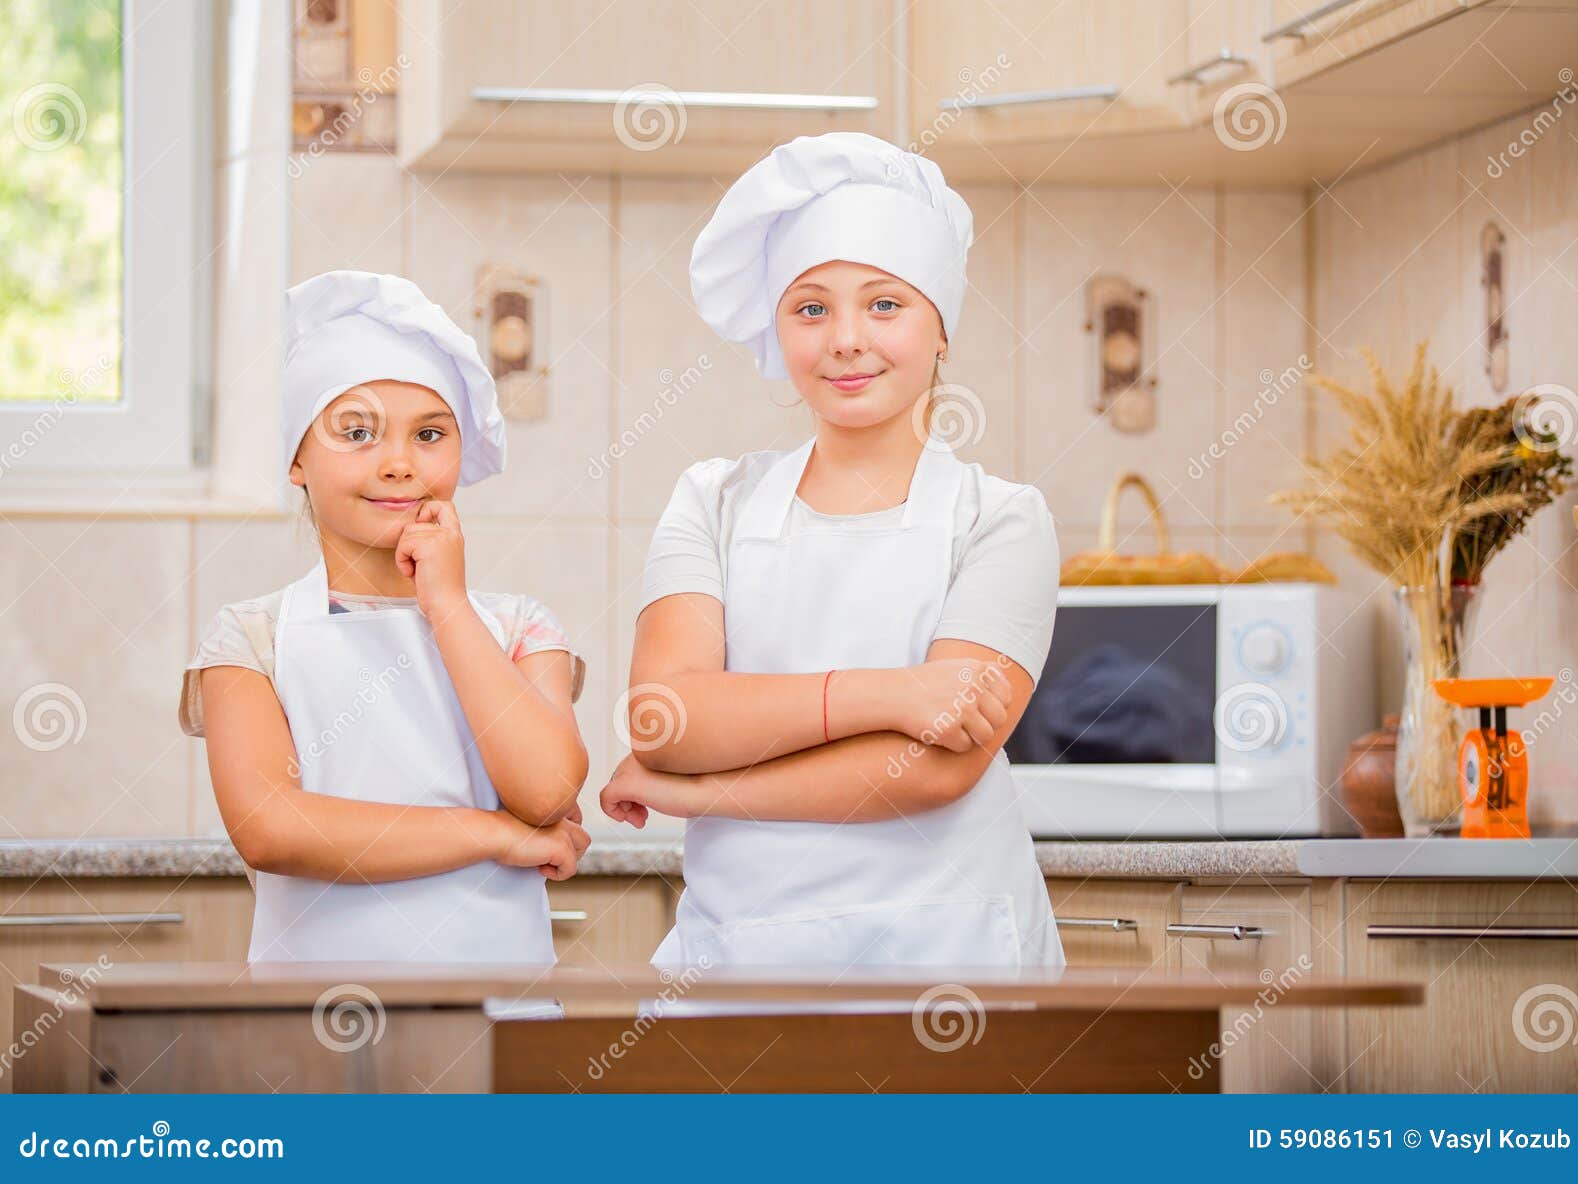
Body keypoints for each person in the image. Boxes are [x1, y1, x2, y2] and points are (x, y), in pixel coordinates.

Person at [600, 133, 1065, 979]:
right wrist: (898, 691)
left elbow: (931, 772)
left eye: (885, 304)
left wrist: (706, 792)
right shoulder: (713, 501)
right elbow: (664, 719)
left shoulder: (1001, 521)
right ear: (779, 333)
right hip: (742, 958)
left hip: (952, 961)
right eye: (811, 308)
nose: (846, 338)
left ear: (942, 326)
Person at [182, 270, 590, 966]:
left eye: (429, 434)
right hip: (310, 1041)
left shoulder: (520, 629)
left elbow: (547, 790)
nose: (399, 463)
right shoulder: (251, 641)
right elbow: (272, 829)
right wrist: (493, 834)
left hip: (503, 1033)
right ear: (296, 459)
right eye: (358, 432)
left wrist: (449, 606)